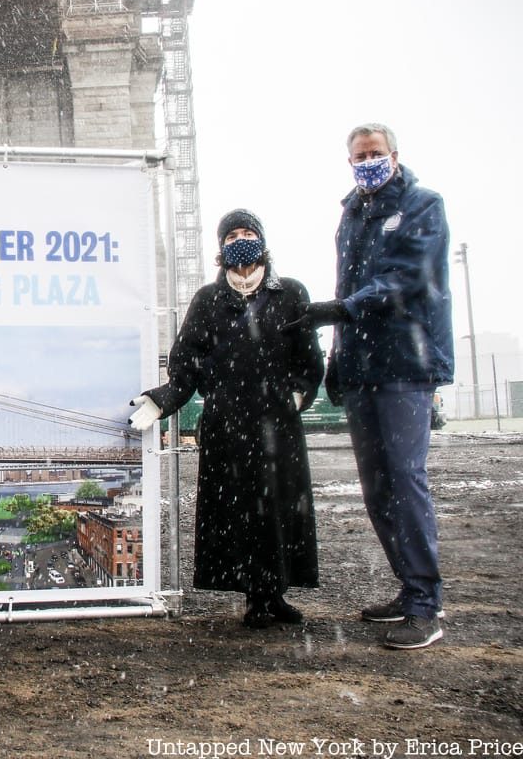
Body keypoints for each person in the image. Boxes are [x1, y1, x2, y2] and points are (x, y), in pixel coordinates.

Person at [293, 123, 453, 650]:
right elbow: (349, 286)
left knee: (406, 479)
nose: (368, 161)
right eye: (359, 155)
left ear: (394, 155)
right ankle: (409, 591)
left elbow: (406, 279)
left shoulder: (423, 205)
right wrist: (338, 357)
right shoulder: (352, 215)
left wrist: (342, 309)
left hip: (406, 364)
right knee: (377, 486)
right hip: (362, 367)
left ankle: (427, 605)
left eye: (375, 153)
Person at [128, 209, 324, 628]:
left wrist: (295, 395)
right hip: (227, 424)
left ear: (262, 240)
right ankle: (255, 596)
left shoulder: (290, 294)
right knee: (239, 512)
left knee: (278, 507)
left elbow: (309, 359)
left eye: (248, 232)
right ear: (221, 248)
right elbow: (186, 366)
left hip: (278, 424)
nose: (240, 240)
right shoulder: (208, 300)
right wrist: (161, 402)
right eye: (232, 235)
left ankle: (276, 593)